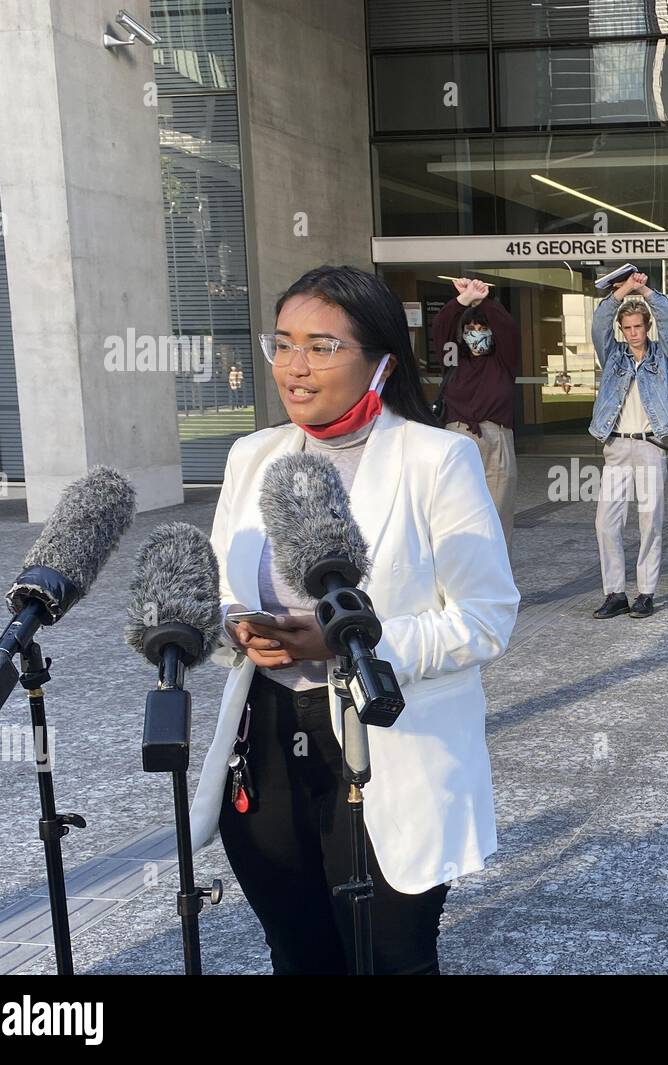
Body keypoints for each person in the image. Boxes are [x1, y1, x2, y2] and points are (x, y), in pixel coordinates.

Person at [189, 264, 519, 974]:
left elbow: (486, 617)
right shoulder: (252, 456)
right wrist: (238, 628)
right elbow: (223, 586)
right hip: (269, 744)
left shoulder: (438, 458)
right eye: (282, 344)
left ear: (380, 361)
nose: (294, 367)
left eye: (321, 346)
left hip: (388, 737)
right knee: (299, 951)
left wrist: (354, 643)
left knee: (390, 953)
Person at [588, 270, 668, 619]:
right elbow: (600, 322)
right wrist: (622, 291)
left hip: (649, 446)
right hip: (616, 447)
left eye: (638, 327)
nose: (633, 333)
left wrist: (643, 290)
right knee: (606, 523)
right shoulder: (613, 356)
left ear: (646, 327)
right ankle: (615, 592)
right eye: (627, 328)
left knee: (649, 522)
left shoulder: (662, 356)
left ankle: (645, 592)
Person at [430, 277, 519, 545]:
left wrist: (485, 300)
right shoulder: (454, 359)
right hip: (459, 436)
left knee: (498, 514)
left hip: (497, 437)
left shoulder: (503, 360)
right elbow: (441, 327)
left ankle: (496, 581)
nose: (476, 333)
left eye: (482, 328)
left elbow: (508, 330)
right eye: (470, 328)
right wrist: (463, 301)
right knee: (457, 514)